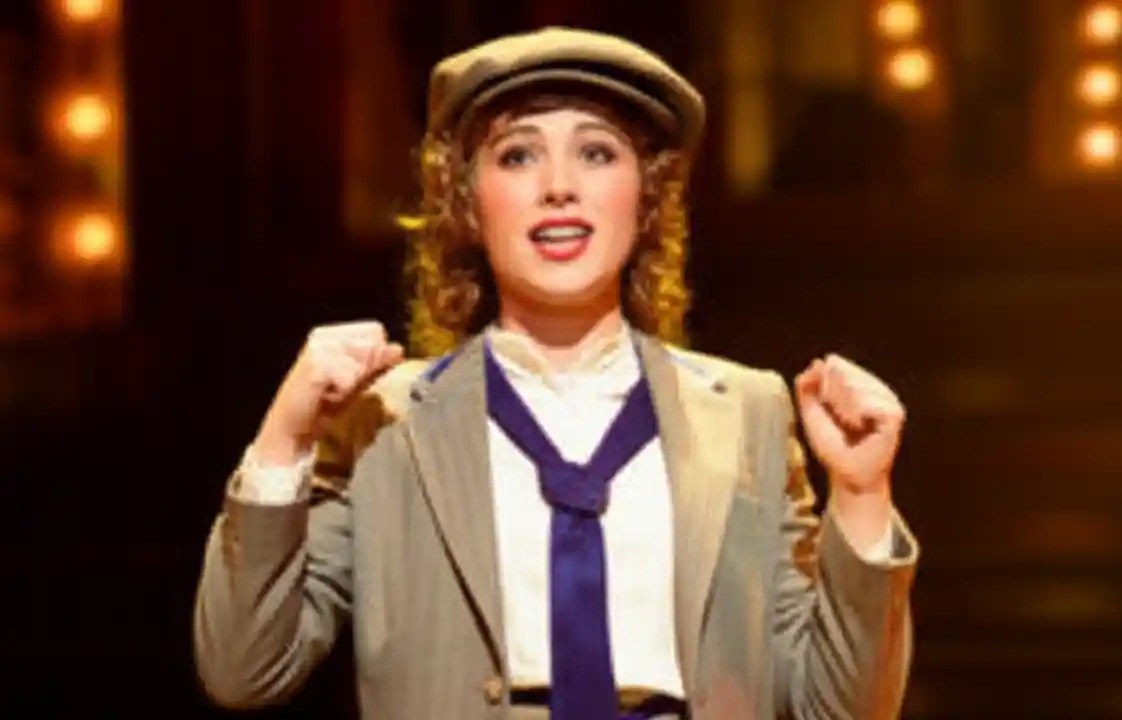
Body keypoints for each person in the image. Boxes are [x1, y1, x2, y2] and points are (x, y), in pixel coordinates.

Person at [193, 26, 919, 720]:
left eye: (598, 153)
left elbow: (842, 705)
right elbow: (243, 670)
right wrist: (284, 438)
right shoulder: (387, 422)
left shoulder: (747, 413)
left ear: (647, 198)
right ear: (468, 200)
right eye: (517, 156)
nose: (559, 185)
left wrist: (859, 494)